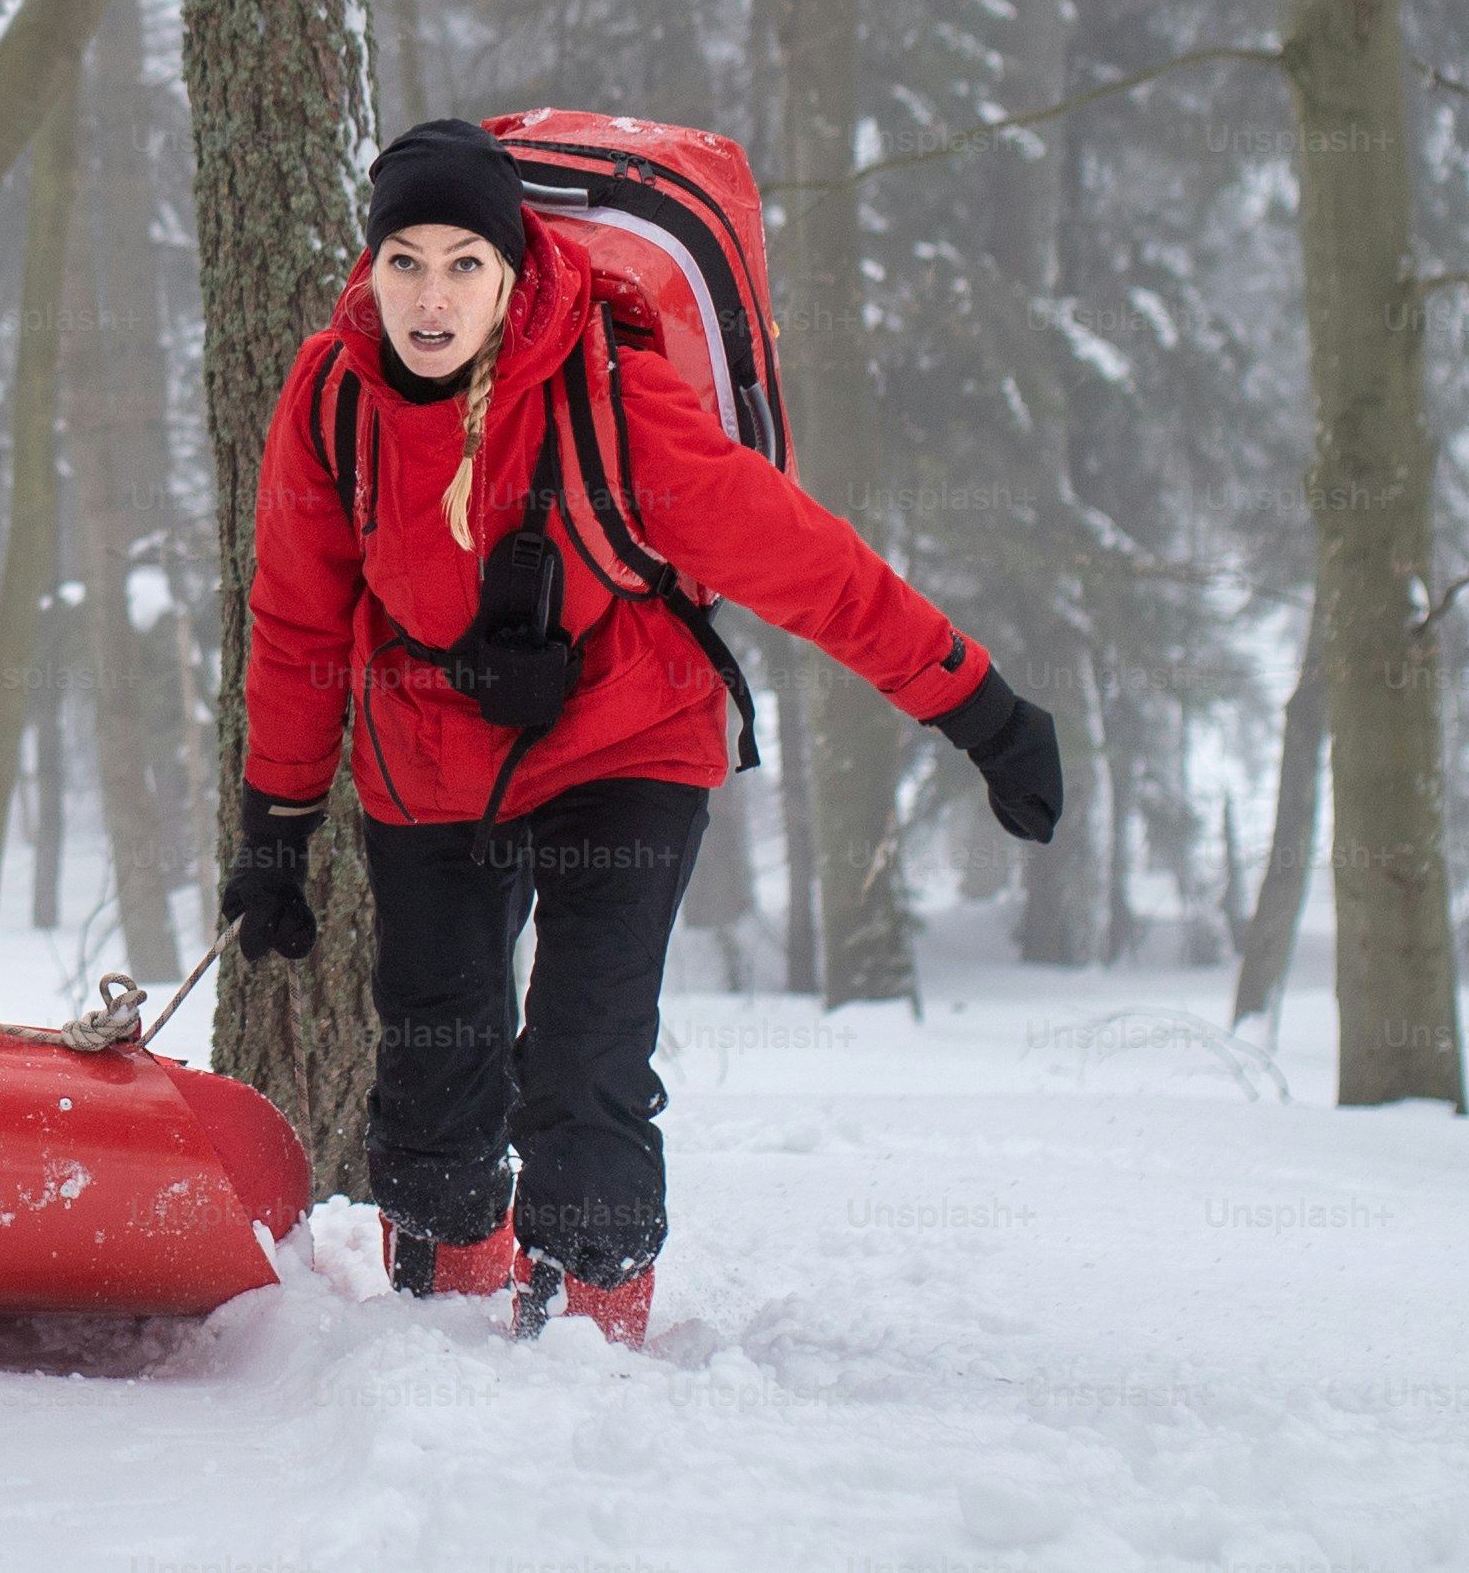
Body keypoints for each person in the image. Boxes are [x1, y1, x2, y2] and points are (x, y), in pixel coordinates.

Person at [227, 118, 1064, 1344]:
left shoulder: (614, 401)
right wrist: (276, 825)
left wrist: (981, 709)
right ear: (370, 267)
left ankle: (589, 1344)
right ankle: (438, 1339)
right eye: (405, 260)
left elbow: (812, 569)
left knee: (585, 1060)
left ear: (512, 268)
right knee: (436, 1066)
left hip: (625, 741)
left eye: (466, 262)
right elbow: (298, 624)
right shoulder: (333, 399)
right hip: (428, 755)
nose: (431, 295)